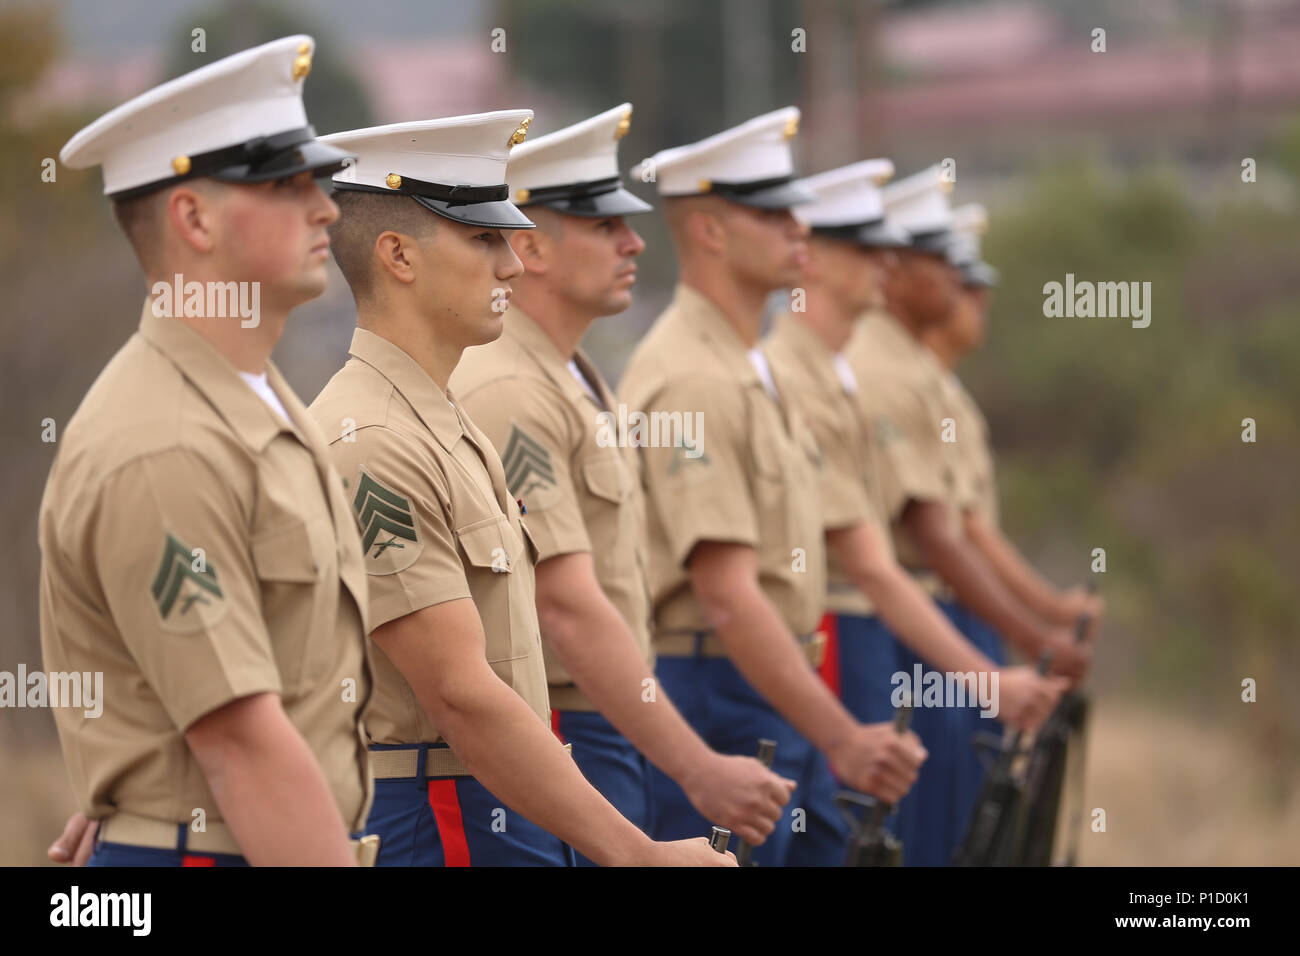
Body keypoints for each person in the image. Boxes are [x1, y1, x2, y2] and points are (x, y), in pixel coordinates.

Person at [309, 111, 733, 866]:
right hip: (441, 810)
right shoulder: (373, 439)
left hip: (492, 794)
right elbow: (459, 693)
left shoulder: (438, 417)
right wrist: (639, 854)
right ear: (398, 256)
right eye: (483, 239)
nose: (512, 264)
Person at [41, 36, 378, 867]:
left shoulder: (248, 399)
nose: (327, 209)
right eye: (287, 185)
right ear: (192, 218)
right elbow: (241, 747)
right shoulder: (164, 444)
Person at [451, 104, 794, 865]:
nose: (634, 241)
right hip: (567, 727)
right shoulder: (510, 384)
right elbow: (567, 608)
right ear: (532, 247)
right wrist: (697, 766)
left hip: (607, 719)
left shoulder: (568, 372)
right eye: (603, 226)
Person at [619, 108, 928, 866]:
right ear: (712, 233)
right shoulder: (693, 375)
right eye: (773, 209)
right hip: (715, 687)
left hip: (762, 682)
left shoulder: (744, 363)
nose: (801, 225)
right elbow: (726, 593)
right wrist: (841, 735)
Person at [761, 161, 1066, 862]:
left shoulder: (839, 372)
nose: (885, 261)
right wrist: (1019, 645)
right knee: (858, 834)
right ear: (812, 256)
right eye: (866, 247)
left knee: (903, 833)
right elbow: (895, 553)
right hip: (835, 628)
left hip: (873, 626)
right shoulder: (821, 374)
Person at [843, 166, 1091, 863]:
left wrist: (1042, 617)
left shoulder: (918, 375)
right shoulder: (885, 371)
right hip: (911, 619)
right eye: (941, 261)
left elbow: (967, 528)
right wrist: (1037, 630)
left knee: (963, 822)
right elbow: (939, 534)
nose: (962, 284)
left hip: (937, 615)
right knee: (924, 830)